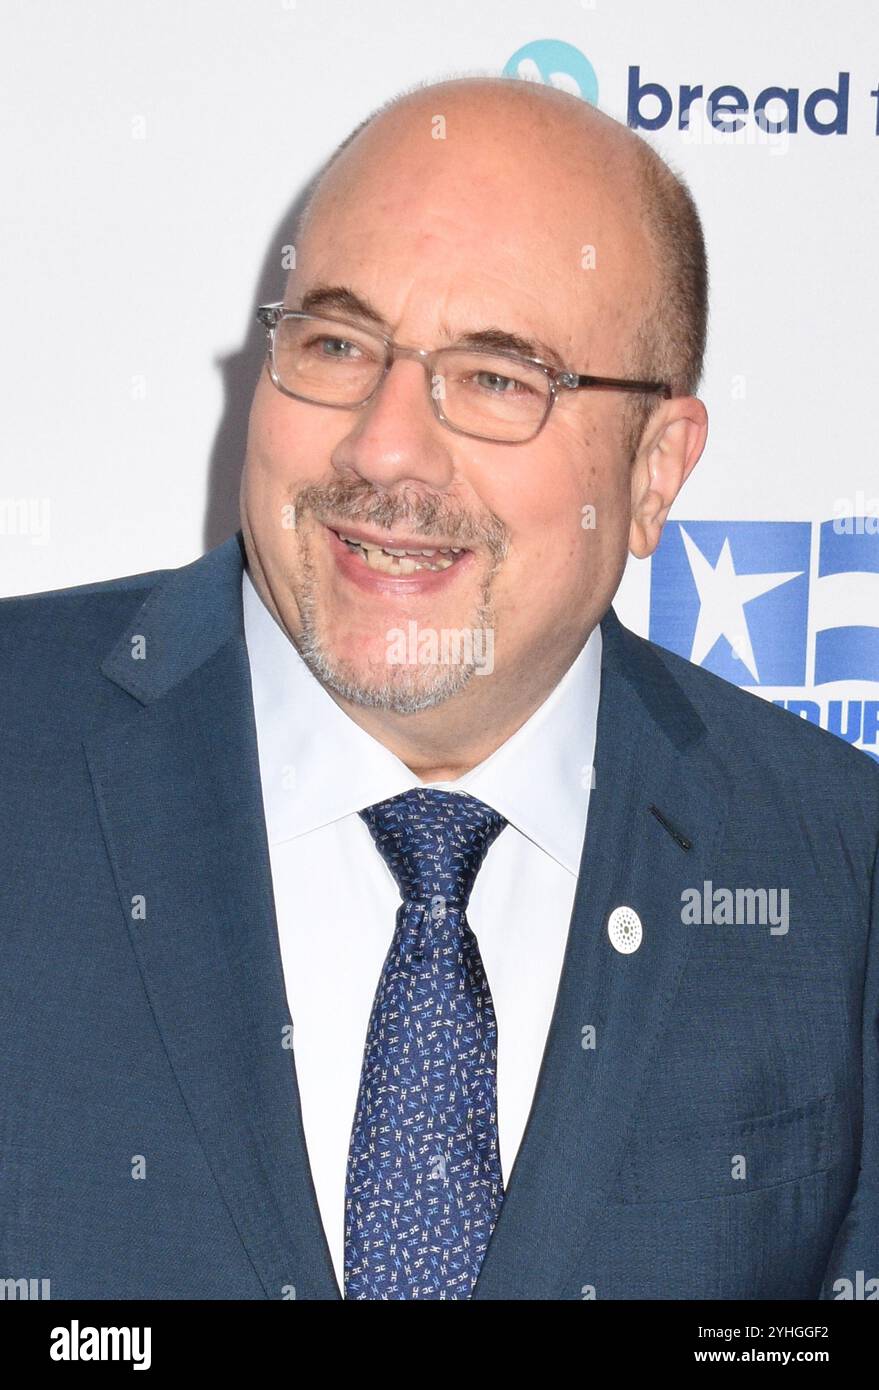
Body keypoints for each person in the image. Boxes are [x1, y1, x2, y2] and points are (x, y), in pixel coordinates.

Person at [1, 75, 876, 1301]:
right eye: (337, 345)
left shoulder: (839, 866)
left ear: (655, 472)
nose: (382, 448)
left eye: (499, 377)